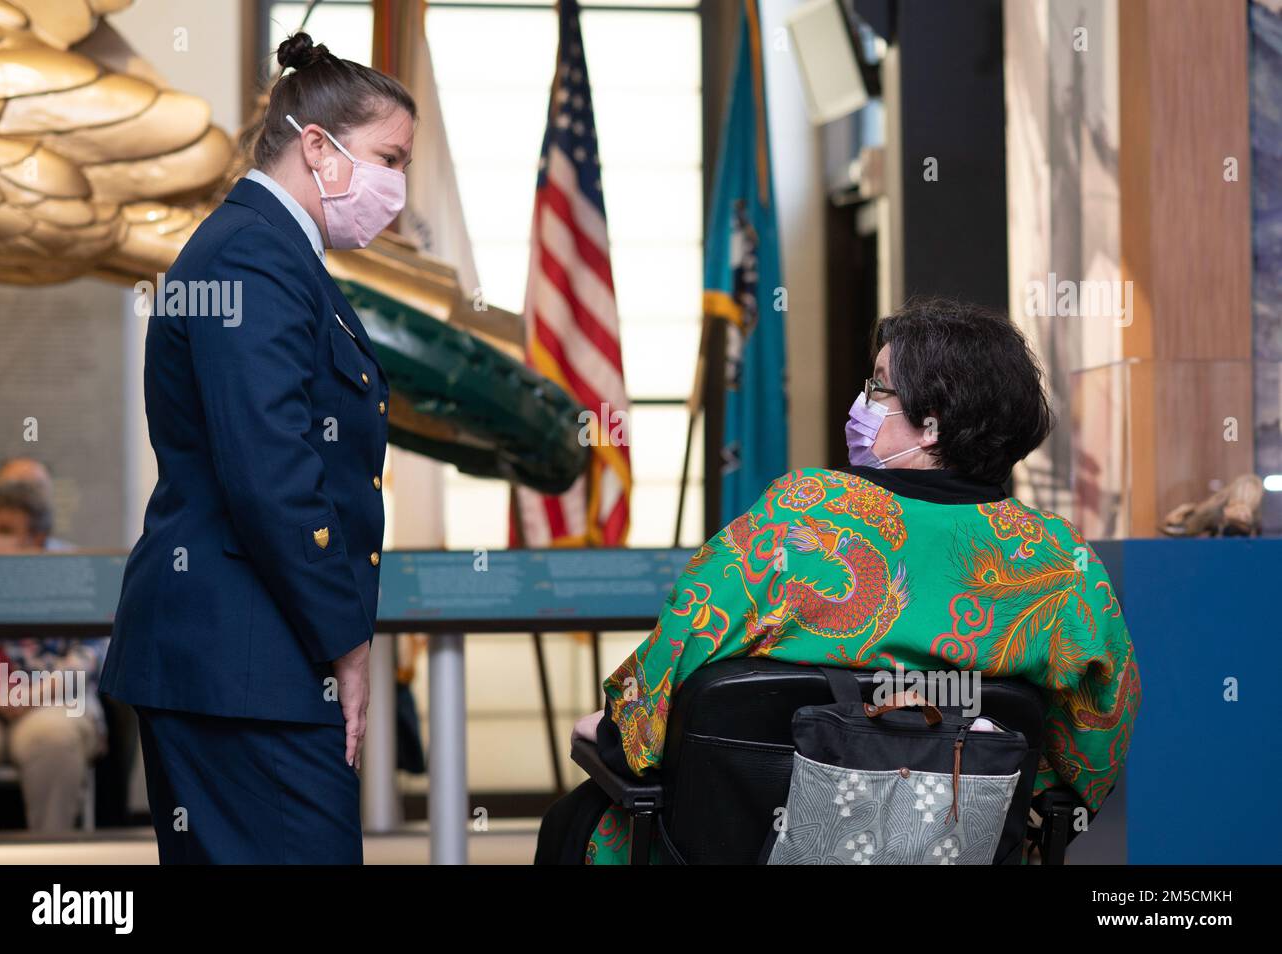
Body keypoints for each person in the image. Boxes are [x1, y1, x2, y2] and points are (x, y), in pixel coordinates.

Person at [537, 297, 1142, 865]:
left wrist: (620, 734)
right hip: (959, 847)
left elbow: (681, 647)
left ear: (930, 424)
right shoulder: (1060, 562)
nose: (863, 400)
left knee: (575, 821)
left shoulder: (799, 512)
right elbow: (1097, 740)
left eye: (878, 385)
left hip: (735, 847)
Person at [99, 32, 415, 864]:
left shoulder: (274, 255)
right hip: (248, 665)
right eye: (389, 156)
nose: (398, 188)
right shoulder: (251, 256)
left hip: (253, 660)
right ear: (319, 148)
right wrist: (347, 641)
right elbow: (271, 471)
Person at [0, 481, 107, 834]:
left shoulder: (73, 570)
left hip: (55, 698)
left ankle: (52, 857)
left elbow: (91, 655)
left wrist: (33, 694)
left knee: (52, 739)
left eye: (5, 530)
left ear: (38, 537)